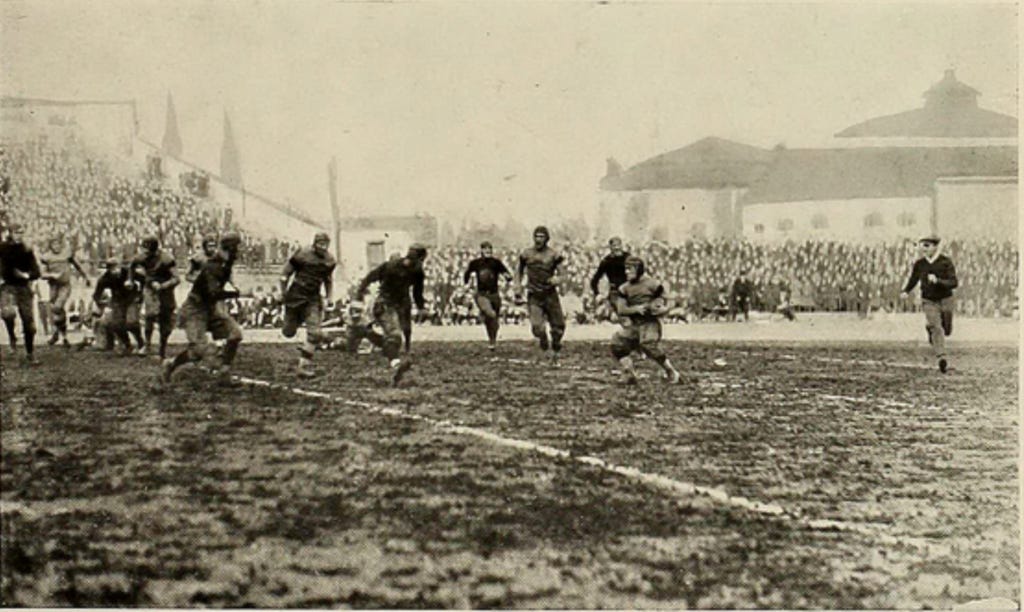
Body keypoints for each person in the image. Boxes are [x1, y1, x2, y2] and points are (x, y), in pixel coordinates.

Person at [161, 232, 245, 384]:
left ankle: (224, 373)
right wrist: (232, 294)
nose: (239, 252)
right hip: (195, 309)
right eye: (237, 248)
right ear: (230, 248)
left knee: (235, 334)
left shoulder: (226, 263)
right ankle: (171, 364)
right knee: (197, 351)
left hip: (210, 307)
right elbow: (213, 293)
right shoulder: (213, 266)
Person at [350, 244, 427, 386]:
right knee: (394, 335)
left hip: (401, 301)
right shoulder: (391, 266)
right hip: (385, 302)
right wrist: (358, 296)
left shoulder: (416, 271)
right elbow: (369, 278)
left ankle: (367, 333)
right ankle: (396, 365)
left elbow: (417, 291)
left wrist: (421, 307)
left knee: (394, 336)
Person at [610, 255, 681, 385]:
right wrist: (635, 309)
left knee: (648, 344)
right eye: (625, 269)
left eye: (630, 269)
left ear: (639, 269)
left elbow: (670, 300)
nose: (626, 272)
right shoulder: (624, 288)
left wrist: (663, 310)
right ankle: (629, 372)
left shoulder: (652, 284)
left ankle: (671, 372)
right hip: (634, 324)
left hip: (650, 323)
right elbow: (621, 309)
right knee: (617, 343)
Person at [280, 231, 336, 377]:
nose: (323, 247)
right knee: (288, 332)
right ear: (314, 244)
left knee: (315, 334)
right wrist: (283, 292)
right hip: (296, 295)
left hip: (312, 298)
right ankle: (295, 320)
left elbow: (328, 279)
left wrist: (330, 296)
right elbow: (285, 273)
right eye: (320, 244)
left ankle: (303, 366)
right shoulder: (302, 254)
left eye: (325, 244)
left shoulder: (329, 260)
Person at [900, 234, 959, 373]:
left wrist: (938, 280)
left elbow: (954, 282)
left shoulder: (945, 262)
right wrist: (906, 291)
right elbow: (913, 279)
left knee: (947, 329)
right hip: (929, 300)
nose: (923, 249)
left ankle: (930, 328)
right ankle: (941, 357)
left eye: (926, 246)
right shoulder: (920, 264)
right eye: (921, 246)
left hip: (946, 299)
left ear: (935, 247)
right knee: (937, 327)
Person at [516, 226, 565, 365]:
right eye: (536, 236)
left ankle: (555, 349)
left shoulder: (553, 255)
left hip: (550, 294)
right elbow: (518, 271)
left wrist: (558, 279)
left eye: (541, 237)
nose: (538, 239)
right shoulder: (526, 254)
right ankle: (543, 340)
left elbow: (563, 274)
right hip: (534, 295)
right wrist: (517, 287)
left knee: (558, 327)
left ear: (547, 238)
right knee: (537, 327)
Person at [130, 235, 179, 358]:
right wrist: (131, 280)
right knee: (150, 315)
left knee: (166, 321)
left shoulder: (166, 259)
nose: (145, 253)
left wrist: (163, 285)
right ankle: (147, 344)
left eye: (147, 250)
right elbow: (132, 266)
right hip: (150, 288)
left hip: (165, 290)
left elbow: (177, 278)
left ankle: (162, 349)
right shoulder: (141, 257)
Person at [37, 235, 90, 348]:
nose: (56, 246)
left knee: (57, 307)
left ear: (61, 245)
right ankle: (61, 335)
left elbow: (77, 265)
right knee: (56, 311)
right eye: (54, 244)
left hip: (65, 285)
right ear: (50, 246)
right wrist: (52, 275)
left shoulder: (67, 253)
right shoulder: (46, 257)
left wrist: (86, 276)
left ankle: (60, 334)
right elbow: (42, 274)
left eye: (58, 244)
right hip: (53, 286)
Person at [0, 222, 42, 364]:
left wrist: (26, 275)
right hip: (7, 286)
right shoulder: (3, 248)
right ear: (10, 233)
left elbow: (36, 271)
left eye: (21, 232)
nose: (19, 235)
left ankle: (30, 352)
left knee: (29, 323)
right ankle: (12, 336)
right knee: (8, 313)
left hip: (23, 288)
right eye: (16, 232)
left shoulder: (26, 249)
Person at [463, 241, 513, 349]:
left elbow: (505, 272)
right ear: (481, 250)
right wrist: (466, 284)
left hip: (494, 294)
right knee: (490, 314)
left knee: (491, 321)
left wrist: (507, 276)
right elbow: (467, 274)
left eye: (489, 249)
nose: (488, 251)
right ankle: (485, 316)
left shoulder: (496, 262)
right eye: (485, 249)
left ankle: (492, 340)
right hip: (481, 294)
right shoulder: (476, 263)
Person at [92, 257, 145, 355]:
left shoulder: (128, 272)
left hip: (131, 299)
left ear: (120, 267)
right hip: (118, 300)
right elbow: (96, 294)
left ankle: (141, 343)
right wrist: (103, 305)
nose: (115, 271)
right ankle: (127, 344)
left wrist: (140, 294)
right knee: (116, 324)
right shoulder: (105, 278)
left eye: (117, 268)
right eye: (112, 269)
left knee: (132, 322)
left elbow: (143, 280)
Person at [590, 236, 630, 304]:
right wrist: (597, 294)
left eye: (618, 245)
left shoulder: (629, 257)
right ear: (610, 247)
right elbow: (594, 280)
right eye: (614, 245)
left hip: (630, 292)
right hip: (615, 294)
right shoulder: (606, 261)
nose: (617, 247)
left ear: (621, 245)